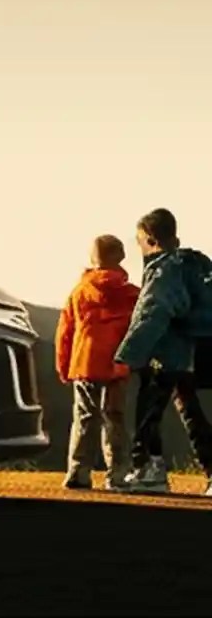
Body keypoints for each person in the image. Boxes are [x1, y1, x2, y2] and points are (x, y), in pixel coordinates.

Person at [113, 208, 212, 495]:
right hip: (195, 352)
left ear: (150, 239)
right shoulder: (198, 265)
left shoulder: (164, 269)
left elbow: (153, 313)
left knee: (149, 411)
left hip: (166, 354)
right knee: (192, 413)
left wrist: (129, 355)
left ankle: (148, 469)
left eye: (140, 240)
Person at [54, 235, 138, 491]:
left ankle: (78, 472)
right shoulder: (130, 294)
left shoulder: (80, 291)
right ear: (120, 257)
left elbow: (65, 331)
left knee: (85, 417)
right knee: (116, 418)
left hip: (85, 362)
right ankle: (118, 474)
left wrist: (63, 365)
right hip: (117, 364)